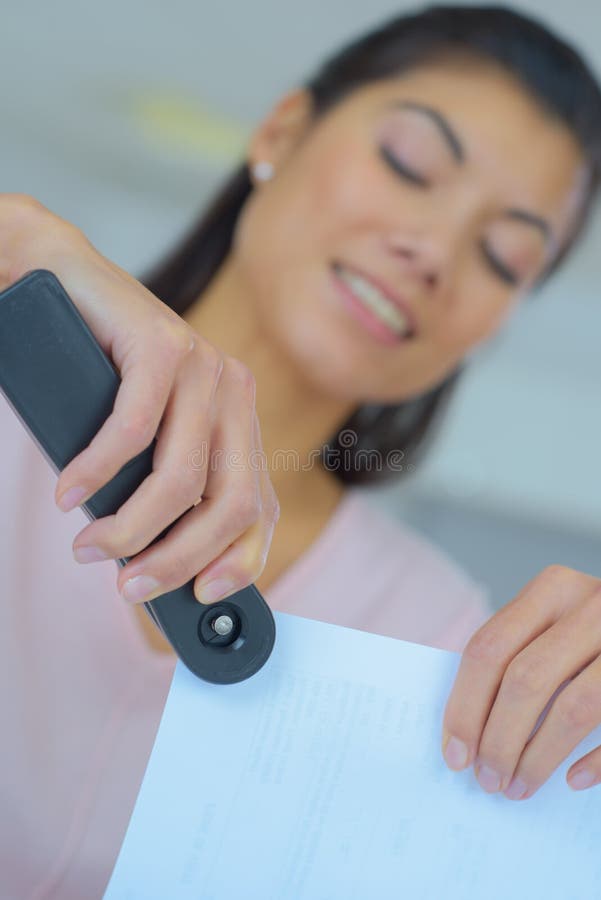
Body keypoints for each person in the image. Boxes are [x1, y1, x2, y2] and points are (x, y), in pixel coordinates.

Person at [1, 4, 600, 897]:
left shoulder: (437, 635)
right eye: (409, 165)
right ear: (281, 130)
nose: (433, 251)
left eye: (505, 256)